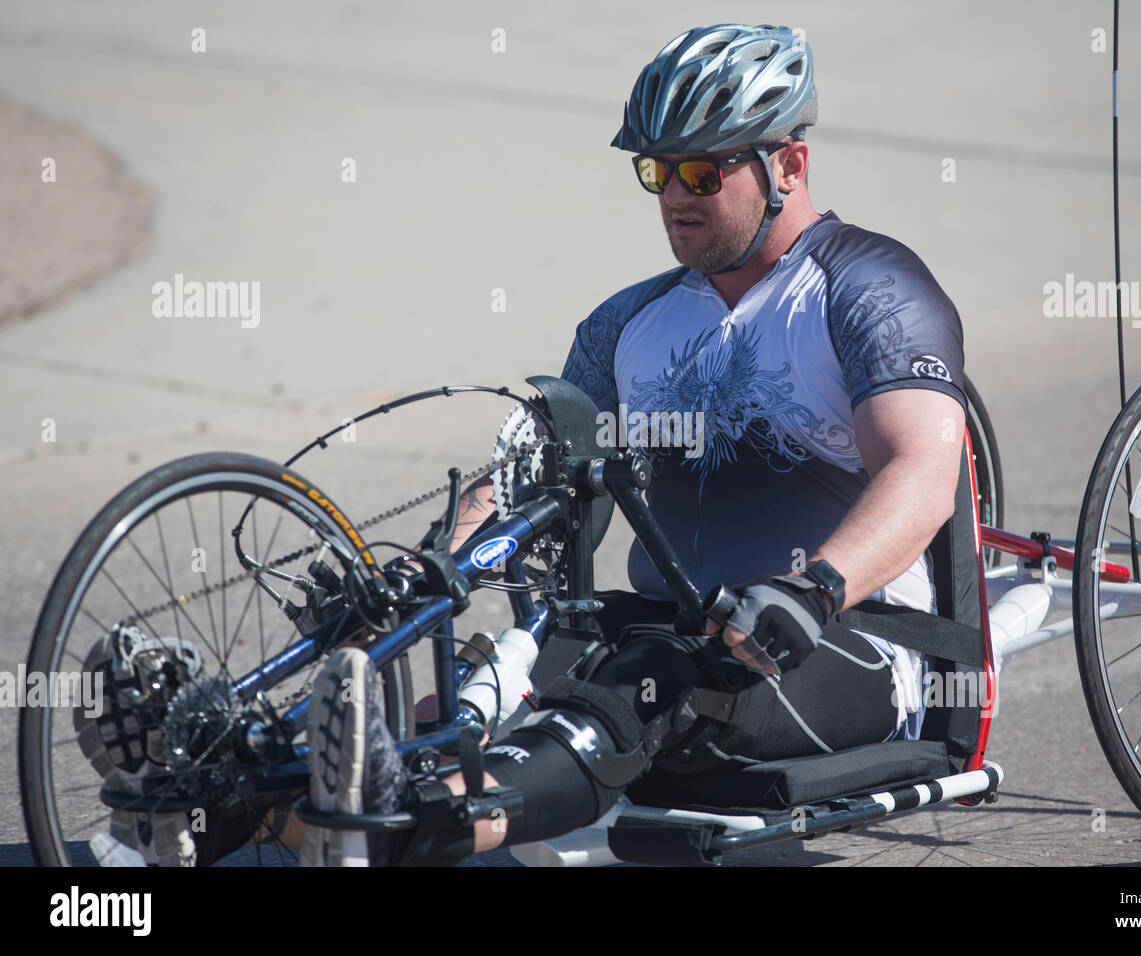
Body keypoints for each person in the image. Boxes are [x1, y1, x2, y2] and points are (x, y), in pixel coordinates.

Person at [300, 22, 968, 866]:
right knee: (532, 649)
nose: (674, 196)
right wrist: (428, 572)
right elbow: (529, 479)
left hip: (849, 639)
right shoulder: (627, 324)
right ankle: (250, 801)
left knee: (647, 678)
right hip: (681, 623)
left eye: (701, 170)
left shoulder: (871, 286)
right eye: (656, 171)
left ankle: (421, 823)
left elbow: (923, 470)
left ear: (788, 166)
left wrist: (816, 588)